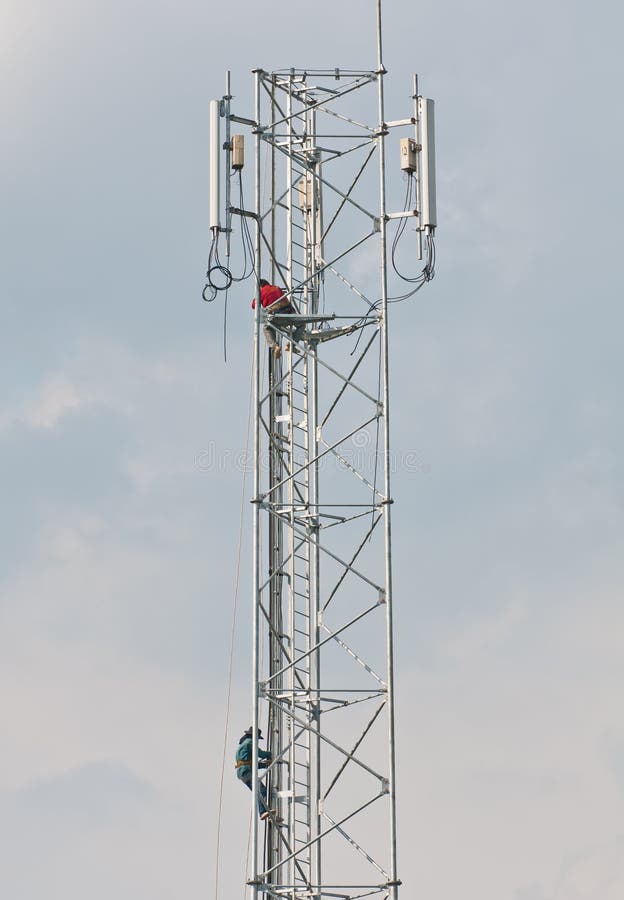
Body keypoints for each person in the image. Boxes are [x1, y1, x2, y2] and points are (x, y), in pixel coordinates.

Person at [252, 279, 305, 358]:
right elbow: (286, 301)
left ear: (260, 287)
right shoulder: (277, 288)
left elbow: (254, 305)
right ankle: (291, 345)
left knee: (267, 328)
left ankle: (275, 347)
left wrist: (258, 296)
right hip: (288, 315)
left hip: (276, 317)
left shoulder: (261, 292)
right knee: (301, 325)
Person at [235, 726, 273, 819]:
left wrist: (264, 765)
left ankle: (264, 811)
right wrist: (271, 753)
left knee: (259, 790)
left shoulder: (245, 744)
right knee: (260, 789)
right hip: (245, 771)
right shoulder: (249, 743)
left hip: (244, 772)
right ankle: (262, 811)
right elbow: (260, 754)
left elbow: (251, 763)